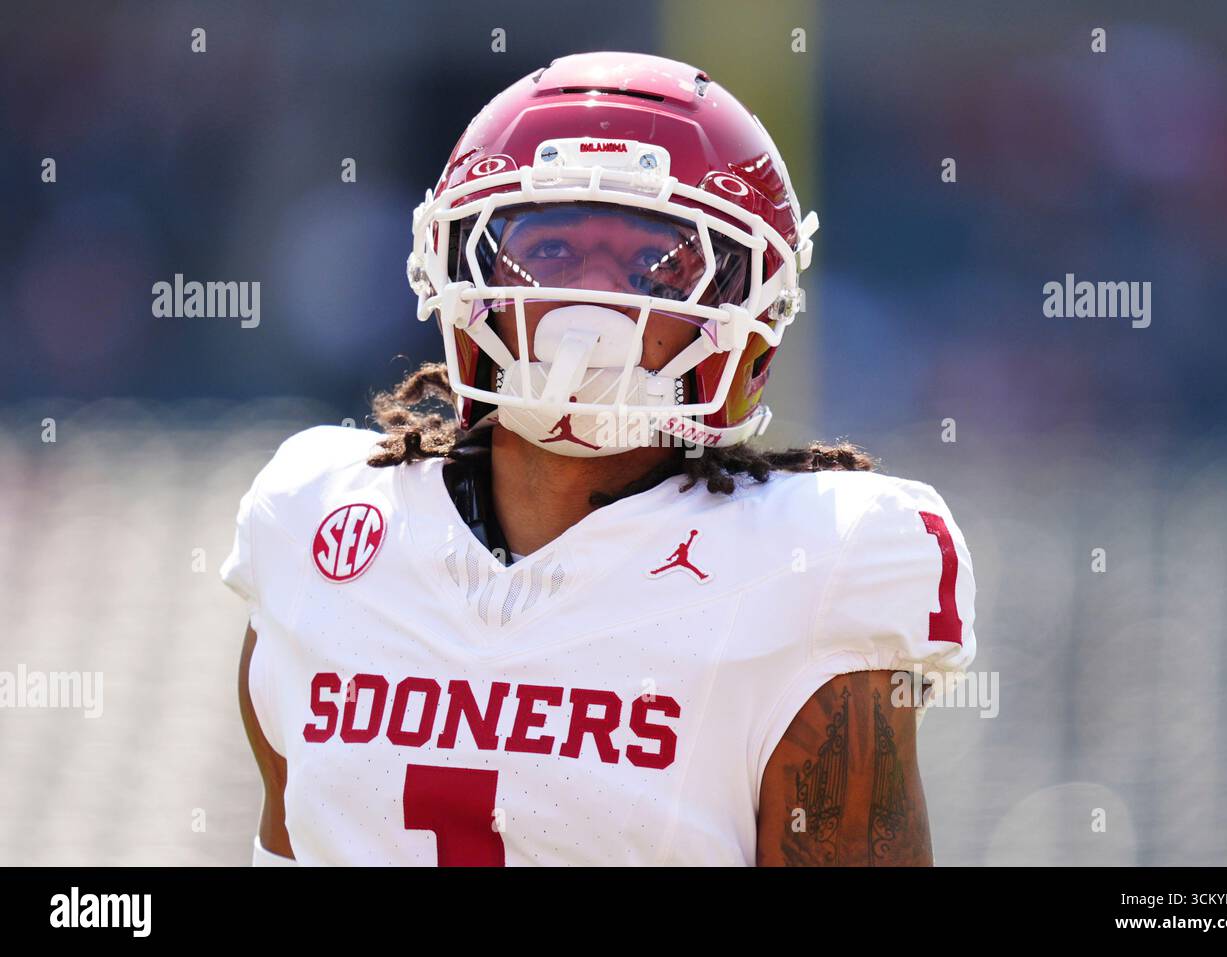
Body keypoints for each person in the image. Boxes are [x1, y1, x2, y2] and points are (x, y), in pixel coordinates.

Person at [221, 50, 976, 867]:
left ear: (742, 301)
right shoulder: (320, 522)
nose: (594, 300)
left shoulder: (815, 567)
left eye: (657, 262)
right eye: (549, 252)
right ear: (459, 265)